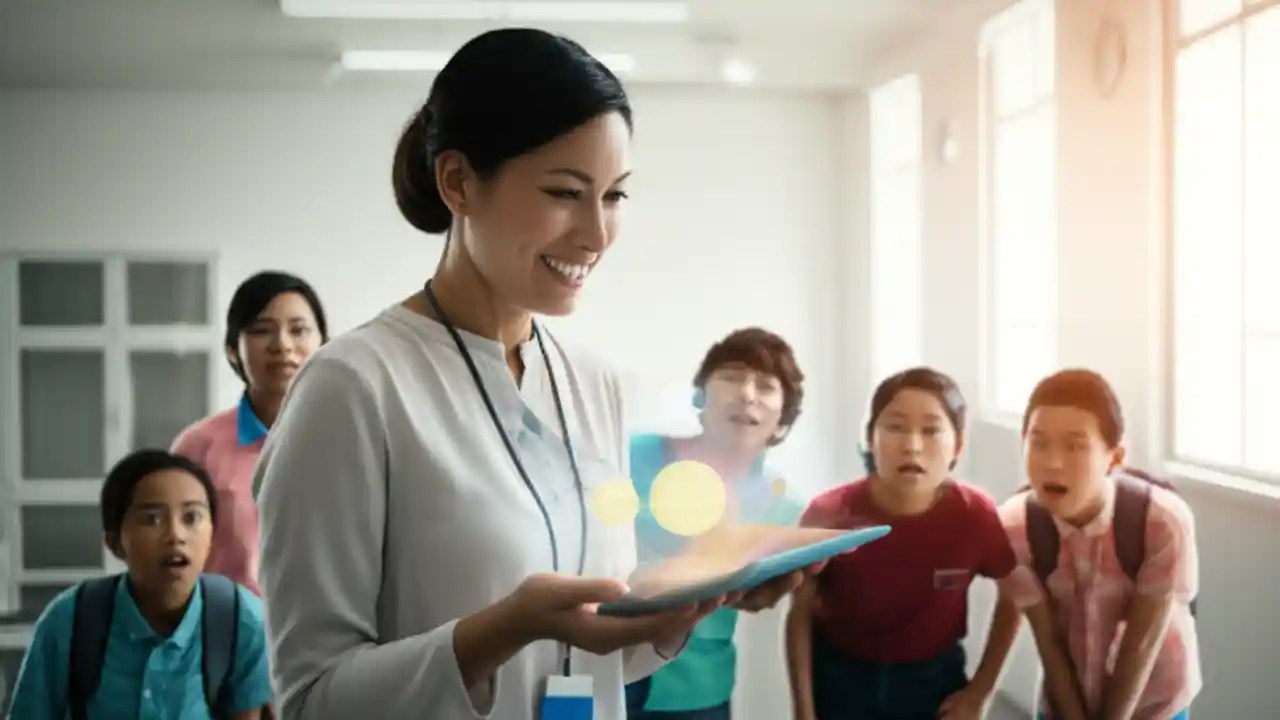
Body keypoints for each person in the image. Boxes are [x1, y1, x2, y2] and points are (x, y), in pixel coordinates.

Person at [251, 28, 814, 720]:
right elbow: (312, 699)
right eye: (565, 192)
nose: (597, 234)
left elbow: (592, 655)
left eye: (614, 197)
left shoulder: (595, 384)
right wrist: (504, 628)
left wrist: (680, 608)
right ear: (458, 182)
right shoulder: (353, 388)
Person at [786, 367, 1019, 720]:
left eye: (931, 430)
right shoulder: (829, 514)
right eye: (895, 427)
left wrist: (980, 692)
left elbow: (1016, 596)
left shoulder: (974, 515)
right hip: (840, 679)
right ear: (870, 438)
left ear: (957, 445)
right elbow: (799, 613)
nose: (912, 445)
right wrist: (803, 711)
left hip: (933, 683)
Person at [625, 327, 808, 719]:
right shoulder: (630, 455)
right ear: (700, 395)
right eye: (732, 376)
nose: (747, 394)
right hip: (603, 672)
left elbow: (767, 592)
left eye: (766, 386)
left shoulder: (785, 507)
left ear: (783, 417)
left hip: (697, 693)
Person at [8, 450, 273, 719]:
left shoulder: (242, 620)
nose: (175, 535)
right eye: (151, 519)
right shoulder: (70, 621)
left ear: (212, 534)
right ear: (114, 542)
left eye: (192, 517)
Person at [997, 370, 1200, 720]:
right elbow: (1048, 642)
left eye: (1075, 446)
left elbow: (1141, 644)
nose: (1052, 463)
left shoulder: (1162, 521)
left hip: (1154, 703)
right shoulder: (1014, 527)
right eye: (1039, 442)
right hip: (1064, 699)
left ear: (1115, 457)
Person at [171, 271, 328, 595]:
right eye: (261, 331)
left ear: (324, 345)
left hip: (330, 624)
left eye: (298, 330)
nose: (282, 345)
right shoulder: (197, 448)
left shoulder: (351, 439)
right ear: (233, 349)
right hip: (226, 622)